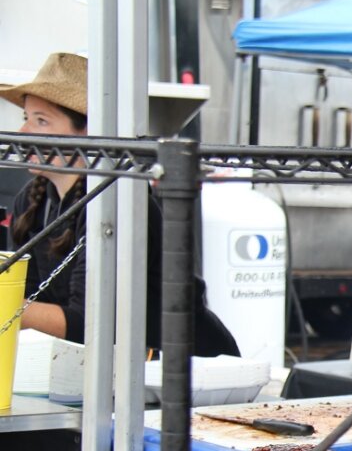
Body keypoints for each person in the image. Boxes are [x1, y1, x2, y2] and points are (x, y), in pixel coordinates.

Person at [1, 53, 239, 357]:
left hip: (186, 366)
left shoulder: (114, 204)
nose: (23, 133)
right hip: (102, 368)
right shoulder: (29, 201)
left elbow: (90, 322)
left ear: (87, 133)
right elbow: (29, 295)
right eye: (26, 119)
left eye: (41, 121)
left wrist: (8, 307)